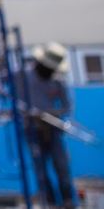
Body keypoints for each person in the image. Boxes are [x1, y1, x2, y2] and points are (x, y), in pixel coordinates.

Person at [25, 42, 76, 208]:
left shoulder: (58, 81)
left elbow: (67, 106)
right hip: (32, 128)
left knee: (61, 165)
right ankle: (50, 201)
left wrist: (52, 114)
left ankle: (67, 199)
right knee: (40, 167)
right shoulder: (24, 76)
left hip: (53, 129)